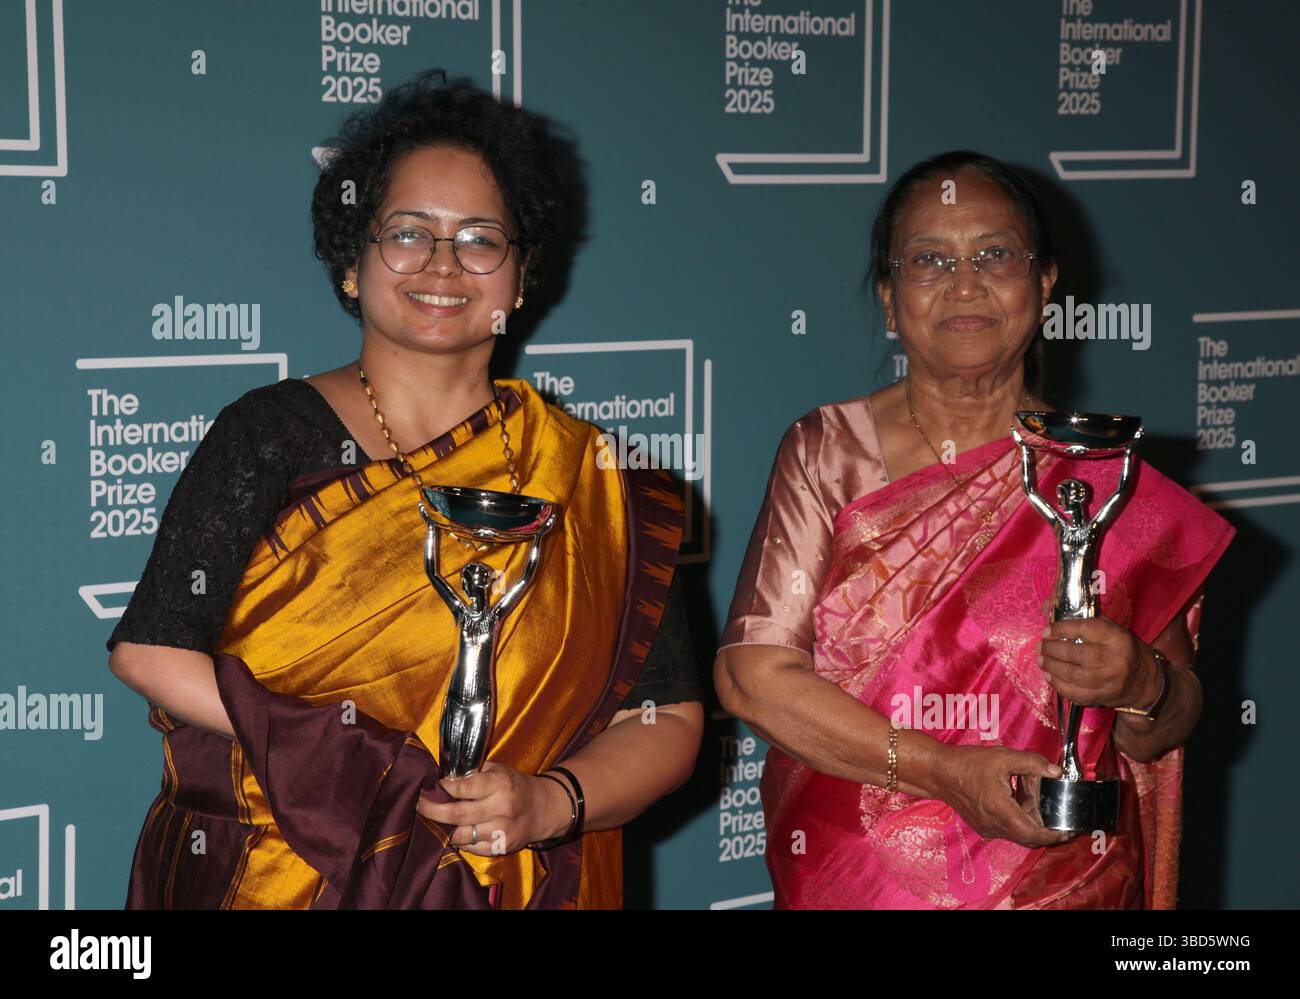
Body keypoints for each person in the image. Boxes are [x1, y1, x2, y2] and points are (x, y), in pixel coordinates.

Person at [107, 69, 703, 909]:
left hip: (516, 881)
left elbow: (667, 720)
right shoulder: (271, 434)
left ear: (521, 279)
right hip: (282, 875)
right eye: (408, 233)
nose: (443, 265)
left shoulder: (594, 476)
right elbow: (152, 649)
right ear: (354, 264)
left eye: (480, 238)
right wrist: (357, 765)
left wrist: (549, 801)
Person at [713, 150, 1234, 909]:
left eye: (995, 254)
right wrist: (943, 771)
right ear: (890, 299)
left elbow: (1164, 723)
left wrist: (1142, 684)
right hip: (860, 882)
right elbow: (752, 677)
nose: (965, 282)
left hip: (1065, 884)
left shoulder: (1097, 474)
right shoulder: (829, 453)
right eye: (929, 260)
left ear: (1045, 283)